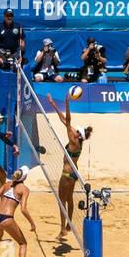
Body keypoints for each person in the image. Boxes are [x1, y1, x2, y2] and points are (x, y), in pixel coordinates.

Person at [47, 94, 91, 244]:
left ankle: (62, 229)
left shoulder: (73, 141)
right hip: (74, 173)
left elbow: (68, 121)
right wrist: (53, 103)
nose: (75, 131)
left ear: (78, 135)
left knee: (61, 201)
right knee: (70, 199)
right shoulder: (79, 140)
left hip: (66, 174)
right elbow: (65, 121)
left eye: (77, 131)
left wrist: (66, 103)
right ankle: (69, 224)